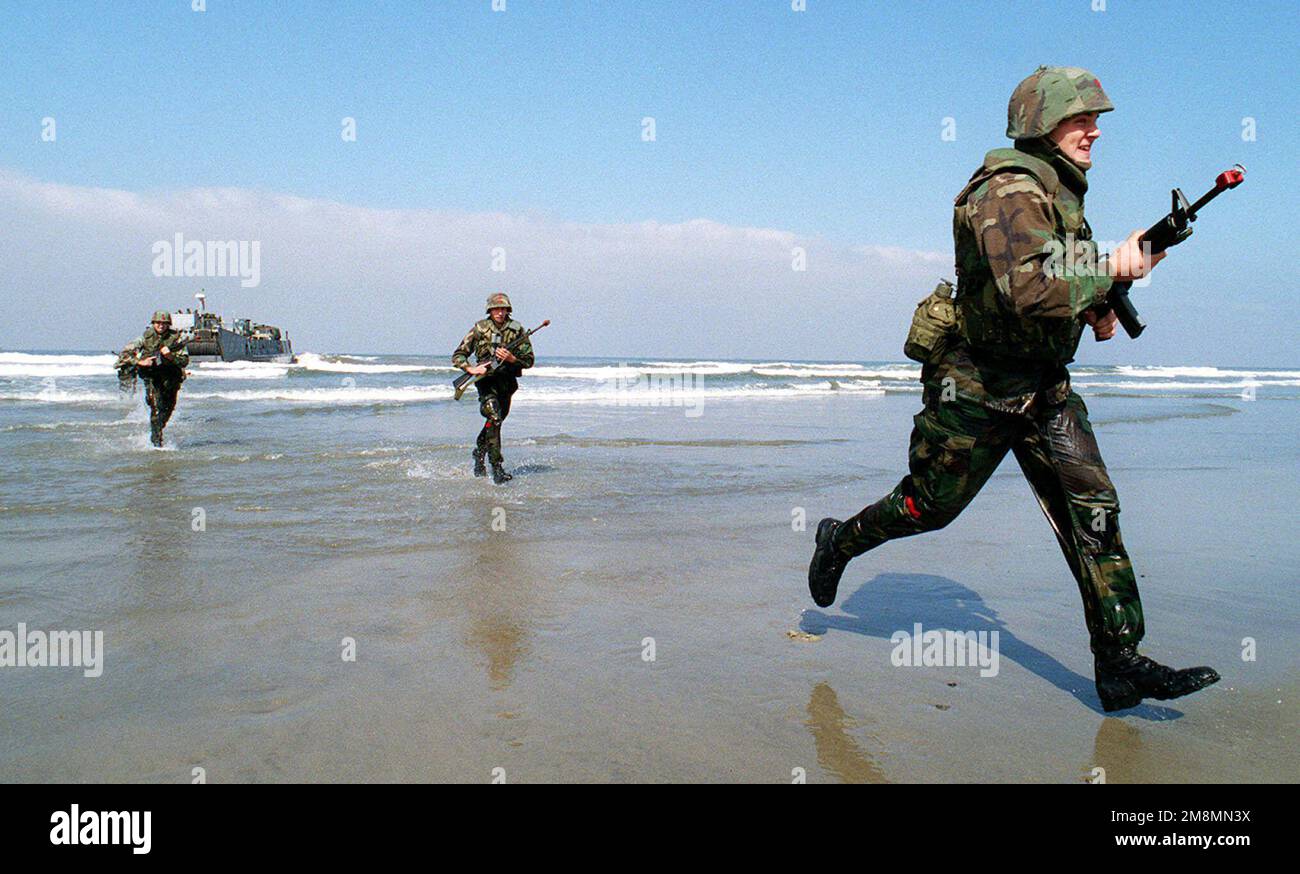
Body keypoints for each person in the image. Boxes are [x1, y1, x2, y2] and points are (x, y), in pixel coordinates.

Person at [807, 67, 1219, 713]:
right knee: (929, 508)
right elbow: (1027, 288)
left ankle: (1119, 664)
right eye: (1081, 117)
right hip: (977, 388)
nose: (1094, 131)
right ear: (1041, 121)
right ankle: (841, 539)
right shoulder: (1008, 189)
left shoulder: (1057, 192)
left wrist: (1100, 303)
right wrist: (1110, 265)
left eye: (1097, 119)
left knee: (1095, 513)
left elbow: (1062, 279)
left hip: (1044, 389)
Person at [452, 293, 535, 483]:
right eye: (496, 309)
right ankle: (497, 468)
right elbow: (458, 355)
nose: (500, 312)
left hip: (507, 384)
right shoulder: (480, 329)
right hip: (486, 381)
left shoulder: (517, 330)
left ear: (508, 310)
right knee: (494, 417)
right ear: (490, 310)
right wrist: (471, 368)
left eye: (503, 309)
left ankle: (478, 453)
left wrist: (513, 359)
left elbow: (529, 361)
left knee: (494, 422)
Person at [117, 310, 190, 447]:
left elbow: (184, 361)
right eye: (158, 323)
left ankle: (157, 431)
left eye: (164, 323)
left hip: (170, 379)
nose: (161, 326)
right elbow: (124, 355)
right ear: (153, 323)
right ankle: (157, 444)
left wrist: (170, 357)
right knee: (155, 408)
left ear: (168, 324)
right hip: (152, 377)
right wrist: (140, 362)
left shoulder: (177, 339)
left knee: (167, 410)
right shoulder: (144, 338)